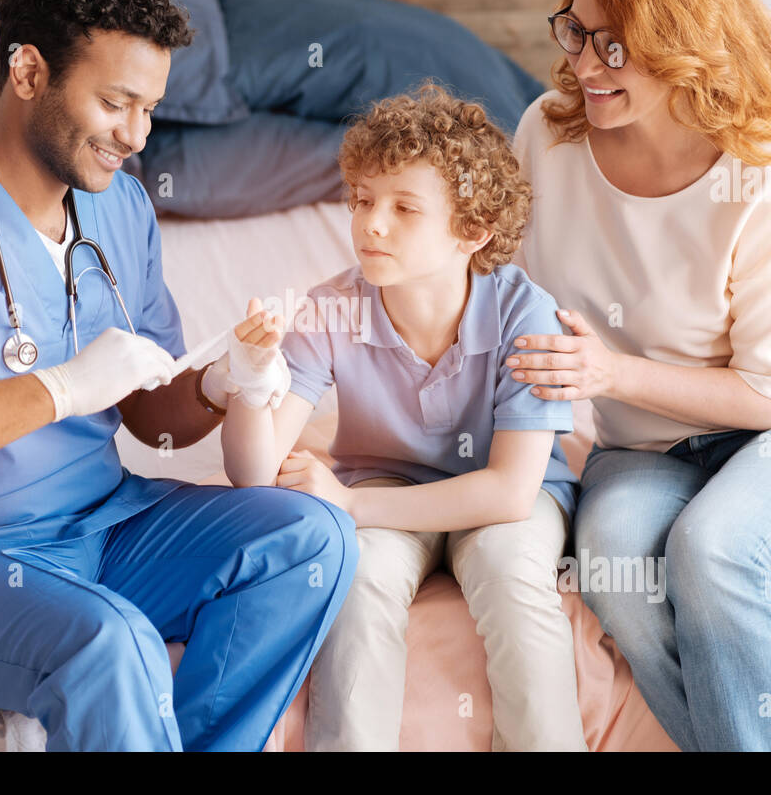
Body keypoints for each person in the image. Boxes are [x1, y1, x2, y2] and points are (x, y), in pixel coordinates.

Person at [0, 0, 357, 751]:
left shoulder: (120, 210)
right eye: (115, 103)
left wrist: (221, 384)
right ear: (28, 71)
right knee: (115, 643)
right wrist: (59, 389)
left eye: (150, 109)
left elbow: (152, 421)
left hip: (104, 522)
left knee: (312, 539)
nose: (136, 135)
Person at [507, 0, 771, 751]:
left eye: (613, 46)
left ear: (682, 43)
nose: (582, 64)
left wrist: (608, 374)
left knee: (713, 553)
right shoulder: (547, 133)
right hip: (647, 452)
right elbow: (495, 277)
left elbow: (765, 395)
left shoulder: (767, 183)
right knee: (613, 565)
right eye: (575, 32)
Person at [221, 82, 588, 751]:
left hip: (506, 498)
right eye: (362, 199)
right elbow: (254, 473)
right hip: (387, 483)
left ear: (471, 231)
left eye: (403, 207)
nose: (370, 223)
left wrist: (348, 506)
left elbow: (509, 492)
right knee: (358, 582)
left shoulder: (524, 312)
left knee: (511, 576)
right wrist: (249, 381)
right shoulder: (331, 307)